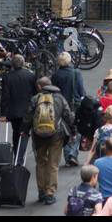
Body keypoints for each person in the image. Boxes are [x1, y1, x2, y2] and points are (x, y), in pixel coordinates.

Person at [28, 74, 75, 205]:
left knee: (41, 163)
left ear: (39, 86)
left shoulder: (35, 98)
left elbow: (28, 116)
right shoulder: (59, 98)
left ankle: (41, 191)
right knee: (53, 165)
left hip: (38, 136)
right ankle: (50, 193)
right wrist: (73, 130)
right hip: (56, 135)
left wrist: (24, 130)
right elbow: (68, 115)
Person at [51, 51, 86, 167]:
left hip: (60, 105)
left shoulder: (55, 75)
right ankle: (72, 154)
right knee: (77, 128)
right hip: (75, 105)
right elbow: (81, 91)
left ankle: (67, 157)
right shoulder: (76, 73)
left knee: (65, 130)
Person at [0, 53, 37, 144]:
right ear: (23, 63)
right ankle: (21, 153)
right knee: (25, 131)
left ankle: (16, 151)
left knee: (16, 132)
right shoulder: (30, 75)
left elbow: (5, 96)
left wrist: (3, 114)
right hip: (28, 110)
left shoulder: (7, 77)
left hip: (14, 111)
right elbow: (35, 93)